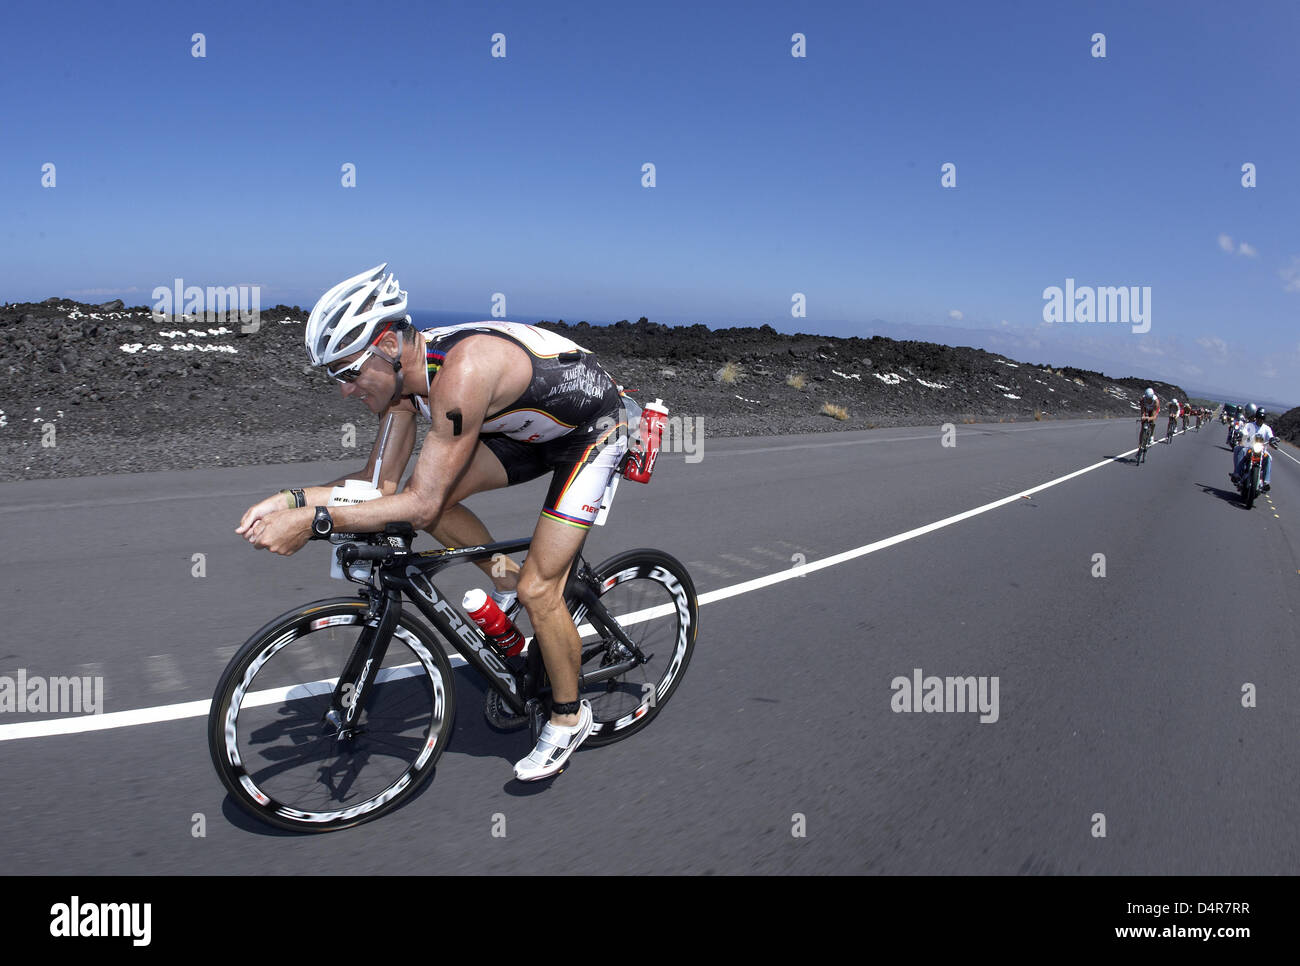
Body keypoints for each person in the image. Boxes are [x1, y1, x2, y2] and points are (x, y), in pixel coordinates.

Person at [236, 264, 634, 781]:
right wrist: (287, 499)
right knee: (440, 503)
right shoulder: (404, 385)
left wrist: (312, 523)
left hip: (592, 429)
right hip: (525, 428)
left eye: (346, 373)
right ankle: (502, 576)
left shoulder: (461, 375)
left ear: (384, 345)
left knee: (540, 590)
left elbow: (417, 507)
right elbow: (378, 487)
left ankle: (568, 716)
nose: (343, 391)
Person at [1231, 405, 1276, 492]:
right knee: (1242, 450)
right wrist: (1241, 434)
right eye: (1259, 417)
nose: (1260, 419)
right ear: (1256, 417)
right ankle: (1237, 473)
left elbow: (1270, 436)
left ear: (1264, 418)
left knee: (1269, 457)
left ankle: (1266, 482)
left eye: (1262, 417)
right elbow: (1244, 431)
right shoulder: (1249, 425)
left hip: (1261, 450)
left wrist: (1272, 439)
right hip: (1250, 448)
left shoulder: (1267, 428)